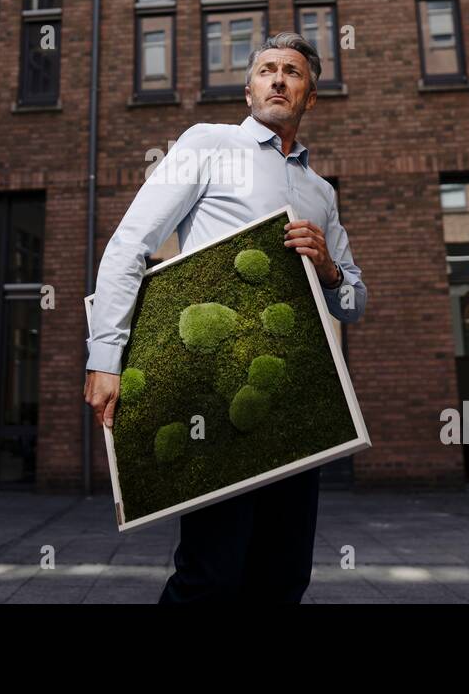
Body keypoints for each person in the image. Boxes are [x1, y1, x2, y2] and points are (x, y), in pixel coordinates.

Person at [83, 30, 368, 603]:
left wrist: (331, 269)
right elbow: (129, 246)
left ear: (310, 97)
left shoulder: (321, 193)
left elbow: (355, 302)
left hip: (294, 398)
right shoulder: (208, 144)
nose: (279, 79)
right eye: (267, 70)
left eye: (292, 71)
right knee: (211, 575)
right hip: (215, 394)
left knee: (284, 577)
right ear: (249, 91)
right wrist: (105, 358)